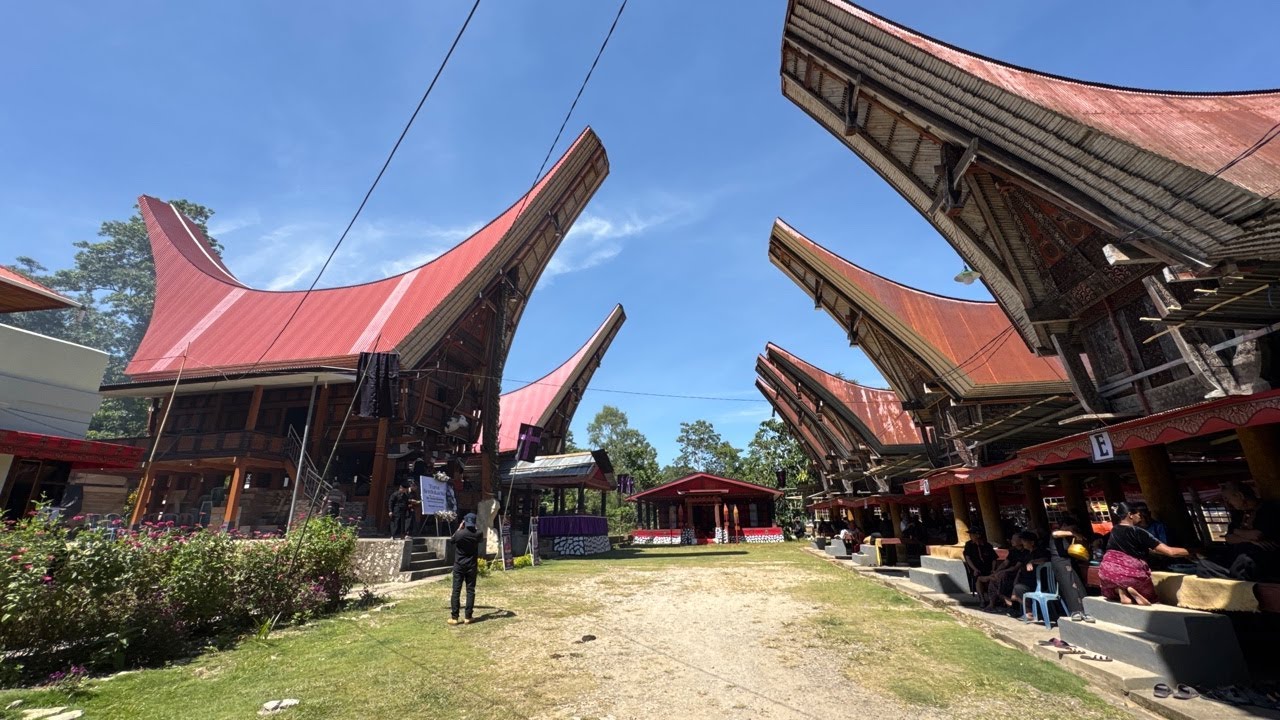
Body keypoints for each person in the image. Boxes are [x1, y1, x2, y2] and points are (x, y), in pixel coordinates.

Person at [1098, 502, 1191, 605]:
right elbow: (1170, 552)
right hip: (1131, 575)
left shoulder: (1115, 529)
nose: (1140, 517)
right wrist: (1191, 551)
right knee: (1151, 596)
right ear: (1130, 515)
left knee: (1109, 590)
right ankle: (1133, 590)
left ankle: (1122, 591)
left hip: (1107, 572)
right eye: (1138, 514)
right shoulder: (1139, 532)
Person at [1048, 519, 1094, 623]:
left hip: (1070, 561)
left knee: (1079, 586)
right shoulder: (1057, 533)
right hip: (1060, 562)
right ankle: (1075, 611)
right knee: (1069, 586)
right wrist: (1071, 532)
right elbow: (1056, 533)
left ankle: (1086, 611)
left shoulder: (1070, 538)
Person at [449, 512, 485, 625]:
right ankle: (468, 617)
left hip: (459, 565)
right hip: (471, 565)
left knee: (456, 590)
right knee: (470, 590)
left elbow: (451, 540)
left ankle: (454, 617)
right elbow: (480, 537)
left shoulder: (459, 534)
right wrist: (475, 526)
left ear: (464, 522)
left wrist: (460, 528)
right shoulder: (478, 534)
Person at [961, 529, 997, 594]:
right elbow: (968, 558)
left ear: (978, 535)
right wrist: (974, 569)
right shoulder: (969, 545)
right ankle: (982, 599)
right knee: (978, 578)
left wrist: (993, 569)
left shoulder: (987, 545)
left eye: (972, 535)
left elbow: (994, 559)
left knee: (993, 577)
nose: (971, 536)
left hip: (987, 567)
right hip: (976, 568)